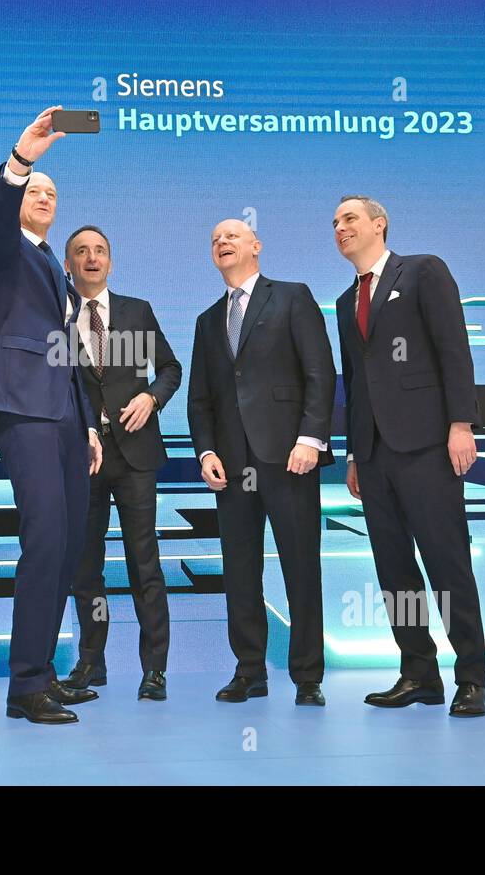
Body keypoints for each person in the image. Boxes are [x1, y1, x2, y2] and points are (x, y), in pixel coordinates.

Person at [332, 195, 485, 717]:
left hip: (427, 444)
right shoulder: (342, 301)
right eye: (335, 223)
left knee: (447, 563)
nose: (340, 228)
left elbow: (453, 348)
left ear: (380, 224)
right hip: (374, 455)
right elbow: (354, 384)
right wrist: (355, 454)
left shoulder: (423, 271)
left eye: (349, 218)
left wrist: (461, 424)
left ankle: (472, 678)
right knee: (394, 569)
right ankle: (418, 672)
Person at [0, 107, 104, 725]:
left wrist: (85, 425)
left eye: (54, 192)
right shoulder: (3, 250)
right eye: (37, 190)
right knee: (45, 537)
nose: (45, 197)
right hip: (22, 408)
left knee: (68, 544)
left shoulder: (55, 266)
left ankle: (43, 675)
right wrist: (22, 161)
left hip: (63, 417)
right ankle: (25, 685)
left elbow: (67, 353)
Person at [187, 220, 335, 706]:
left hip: (289, 458)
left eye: (232, 236)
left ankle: (308, 676)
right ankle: (250, 670)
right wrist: (206, 451)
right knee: (240, 571)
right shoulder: (208, 320)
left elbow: (319, 372)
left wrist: (311, 438)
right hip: (231, 467)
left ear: (257, 246)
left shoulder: (292, 296)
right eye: (215, 240)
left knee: (300, 568)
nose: (222, 243)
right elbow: (200, 399)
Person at [59, 225, 182, 701]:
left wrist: (152, 398)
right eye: (81, 252)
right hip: (82, 457)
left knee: (144, 563)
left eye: (100, 251)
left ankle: (155, 670)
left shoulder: (138, 311)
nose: (91, 258)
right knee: (85, 568)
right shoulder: (57, 317)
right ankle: (92, 662)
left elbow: (170, 367)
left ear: (111, 261)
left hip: (136, 455)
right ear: (68, 264)